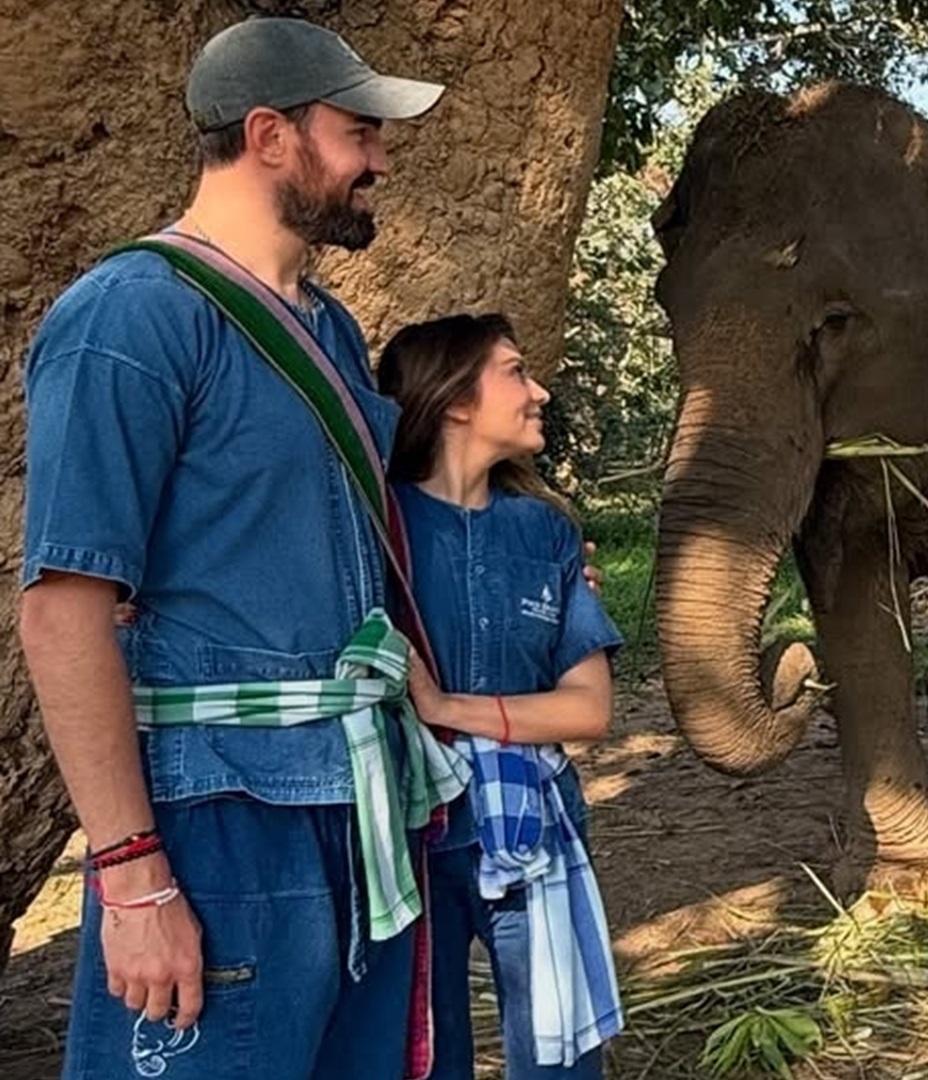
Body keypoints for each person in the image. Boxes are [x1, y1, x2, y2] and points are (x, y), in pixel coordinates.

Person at [18, 16, 463, 1080]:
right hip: (217, 825)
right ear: (271, 135)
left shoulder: (331, 330)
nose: (380, 161)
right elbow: (63, 607)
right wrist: (131, 879)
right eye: (359, 132)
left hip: (347, 807)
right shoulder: (128, 319)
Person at [377, 313, 625, 1079]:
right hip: (408, 840)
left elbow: (589, 710)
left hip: (533, 834)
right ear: (454, 398)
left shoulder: (545, 533)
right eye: (516, 372)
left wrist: (452, 709)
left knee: (561, 1057)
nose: (539, 390)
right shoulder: (377, 528)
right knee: (422, 1055)